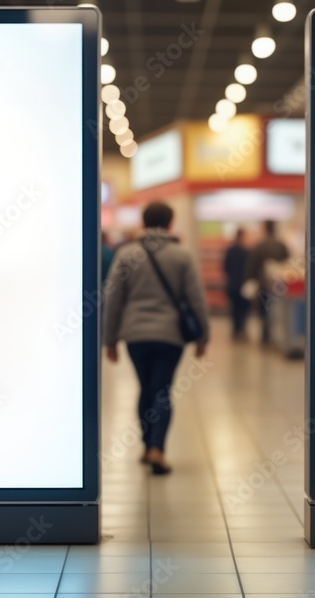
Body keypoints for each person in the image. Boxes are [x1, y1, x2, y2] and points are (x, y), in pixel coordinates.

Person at [104, 201, 209, 475]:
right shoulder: (182, 255)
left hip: (135, 335)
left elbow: (113, 299)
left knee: (145, 388)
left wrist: (110, 339)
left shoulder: (127, 254)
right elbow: (197, 299)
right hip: (170, 335)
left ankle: (146, 445)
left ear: (143, 221)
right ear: (171, 223)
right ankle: (157, 449)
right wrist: (203, 336)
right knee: (162, 390)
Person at [245, 220, 289, 345]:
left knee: (264, 311)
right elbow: (287, 263)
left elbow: (252, 266)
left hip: (263, 284)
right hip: (279, 284)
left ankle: (266, 336)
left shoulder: (260, 246)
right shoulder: (281, 245)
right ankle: (277, 337)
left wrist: (250, 279)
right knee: (278, 310)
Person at [223, 228, 250, 341]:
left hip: (232, 284)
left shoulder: (230, 251)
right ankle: (242, 329)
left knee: (234, 308)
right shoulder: (247, 252)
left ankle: (235, 330)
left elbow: (225, 267)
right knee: (243, 309)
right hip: (243, 285)